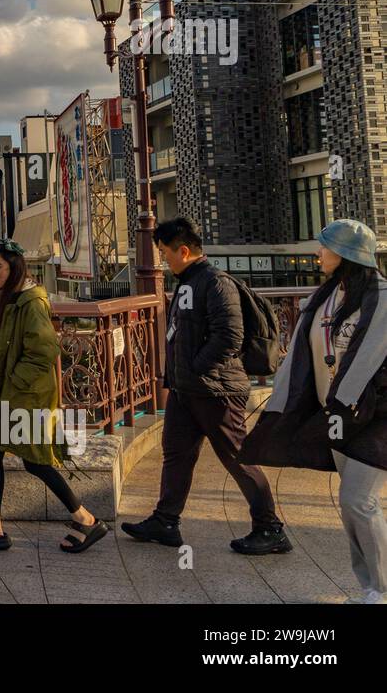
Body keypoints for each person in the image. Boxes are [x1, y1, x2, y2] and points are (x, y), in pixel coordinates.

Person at [122, 218, 290, 554]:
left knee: (237, 457)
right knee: (176, 454)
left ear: (184, 251)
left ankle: (270, 528)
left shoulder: (216, 283)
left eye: (165, 253)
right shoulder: (189, 283)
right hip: (186, 390)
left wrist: (197, 367)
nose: (162, 260)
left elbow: (229, 335)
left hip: (216, 390)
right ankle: (165, 521)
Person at [241, 219, 387, 603]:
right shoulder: (326, 297)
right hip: (337, 415)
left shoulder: (382, 299)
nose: (318, 253)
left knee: (359, 500)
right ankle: (370, 587)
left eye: (325, 246)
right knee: (351, 506)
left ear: (345, 253)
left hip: (374, 418)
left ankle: (381, 590)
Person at [0, 240, 109, 553]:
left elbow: (43, 352)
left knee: (35, 460)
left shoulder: (30, 302)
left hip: (20, 397)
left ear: (14, 267)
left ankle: (85, 519)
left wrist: (13, 383)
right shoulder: (3, 298)